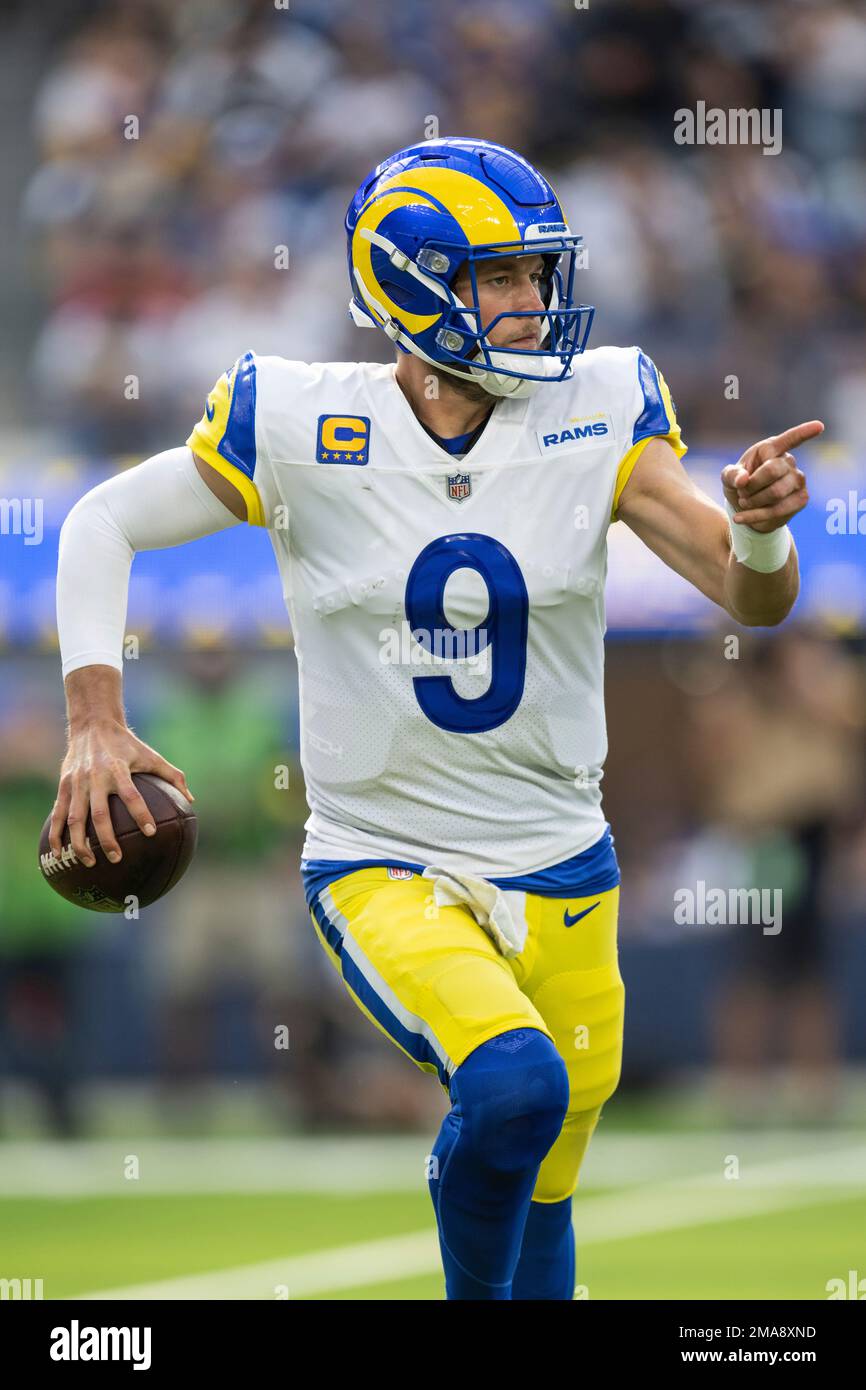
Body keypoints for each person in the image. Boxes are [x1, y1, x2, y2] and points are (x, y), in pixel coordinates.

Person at [51, 137, 817, 1300]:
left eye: (536, 275)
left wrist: (760, 526)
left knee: (545, 1183)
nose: (530, 302)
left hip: (566, 862)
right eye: (498, 277)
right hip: (381, 860)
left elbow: (748, 597)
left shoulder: (602, 402)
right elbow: (97, 521)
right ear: (410, 281)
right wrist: (95, 716)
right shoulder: (298, 416)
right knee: (512, 1090)